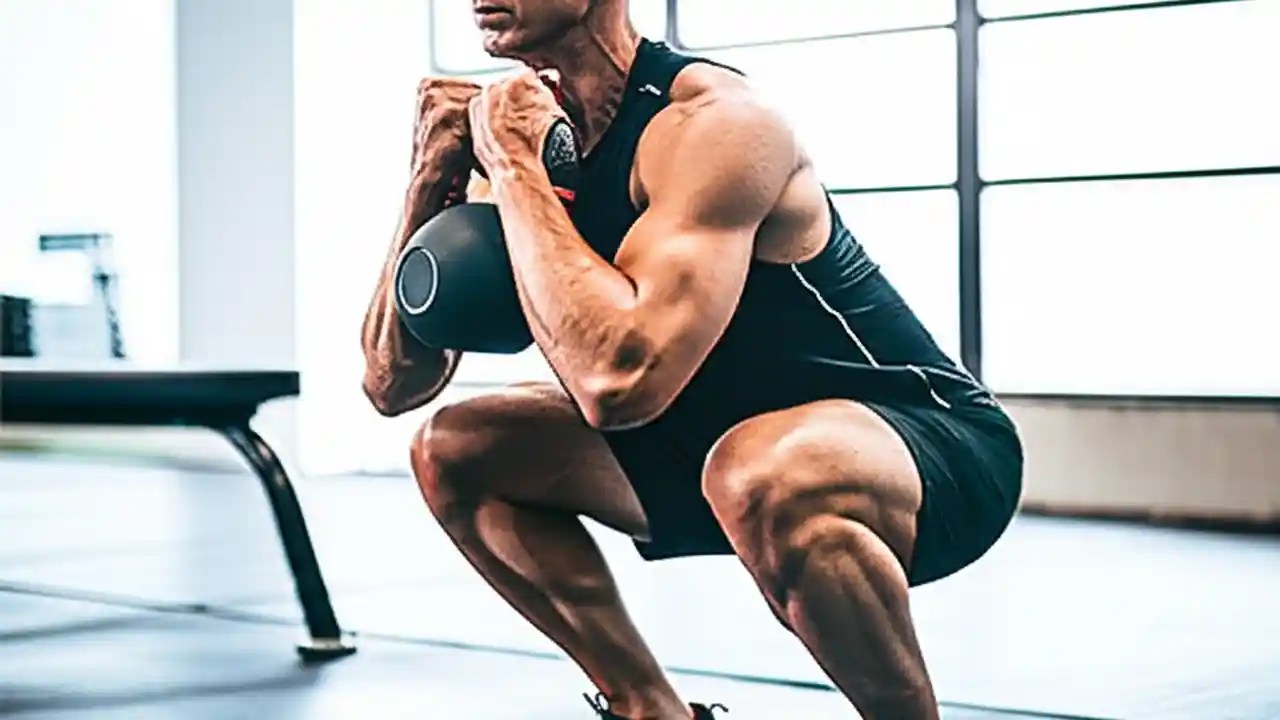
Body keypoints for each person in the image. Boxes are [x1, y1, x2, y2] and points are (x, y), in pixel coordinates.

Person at [361, 1, 1024, 718]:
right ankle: (647, 709)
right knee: (458, 449)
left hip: (926, 449)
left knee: (755, 470)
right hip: (711, 452)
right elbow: (392, 384)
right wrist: (428, 182)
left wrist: (514, 167)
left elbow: (619, 384)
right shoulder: (524, 140)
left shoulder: (714, 126)